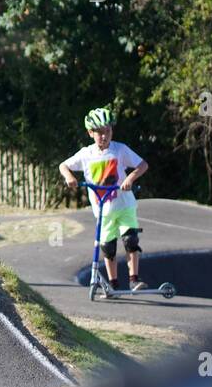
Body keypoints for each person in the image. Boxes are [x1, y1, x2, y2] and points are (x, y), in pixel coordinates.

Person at [59, 107, 151, 291]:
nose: (104, 136)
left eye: (107, 131)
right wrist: (70, 178)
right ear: (90, 133)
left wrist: (129, 179)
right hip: (103, 210)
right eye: (99, 132)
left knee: (130, 240)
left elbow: (142, 165)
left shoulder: (120, 149)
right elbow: (63, 165)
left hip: (125, 204)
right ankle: (114, 284)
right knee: (108, 247)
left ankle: (134, 279)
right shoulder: (86, 154)